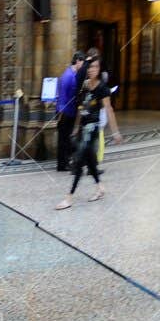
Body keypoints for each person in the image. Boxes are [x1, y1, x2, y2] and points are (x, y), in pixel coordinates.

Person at [58, 55, 121, 209]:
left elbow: (109, 110)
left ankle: (69, 197)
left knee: (79, 160)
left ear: (100, 70)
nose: (92, 70)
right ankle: (100, 188)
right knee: (91, 162)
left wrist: (115, 132)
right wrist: (75, 127)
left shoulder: (103, 88)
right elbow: (82, 107)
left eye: (96, 67)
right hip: (82, 128)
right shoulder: (85, 85)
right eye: (90, 67)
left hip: (92, 129)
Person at [54, 50, 83, 172]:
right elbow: (62, 96)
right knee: (64, 139)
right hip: (65, 112)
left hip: (68, 111)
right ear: (77, 61)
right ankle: (62, 164)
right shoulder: (68, 76)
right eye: (82, 62)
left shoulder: (72, 74)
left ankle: (65, 162)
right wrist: (61, 113)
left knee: (65, 138)